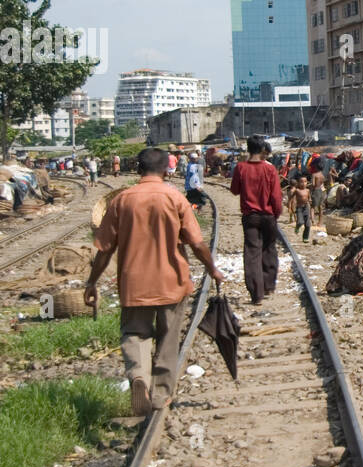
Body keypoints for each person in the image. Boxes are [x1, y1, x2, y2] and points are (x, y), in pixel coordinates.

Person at [85, 147, 225, 416]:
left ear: (138, 169)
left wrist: (92, 282)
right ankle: (160, 394)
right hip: (172, 281)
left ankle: (138, 375)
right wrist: (212, 269)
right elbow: (196, 242)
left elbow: (104, 249)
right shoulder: (174, 198)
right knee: (168, 338)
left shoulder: (121, 200)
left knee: (135, 334)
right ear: (166, 169)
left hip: (133, 283)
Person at [230, 134, 285, 305]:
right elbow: (276, 196)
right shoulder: (269, 170)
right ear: (263, 150)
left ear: (248, 149)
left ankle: (256, 294)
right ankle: (268, 286)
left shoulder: (241, 168)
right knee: (269, 249)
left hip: (250, 217)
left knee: (252, 253)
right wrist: (276, 214)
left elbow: (234, 190)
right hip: (268, 215)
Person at [290, 175, 313, 242]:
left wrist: (310, 201)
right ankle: (297, 227)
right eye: (301, 182)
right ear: (298, 183)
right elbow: (291, 198)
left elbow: (309, 198)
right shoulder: (297, 190)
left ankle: (305, 238)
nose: (303, 183)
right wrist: (291, 206)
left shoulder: (308, 190)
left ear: (307, 182)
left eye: (305, 182)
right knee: (300, 222)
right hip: (299, 208)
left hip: (306, 207)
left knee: (308, 224)